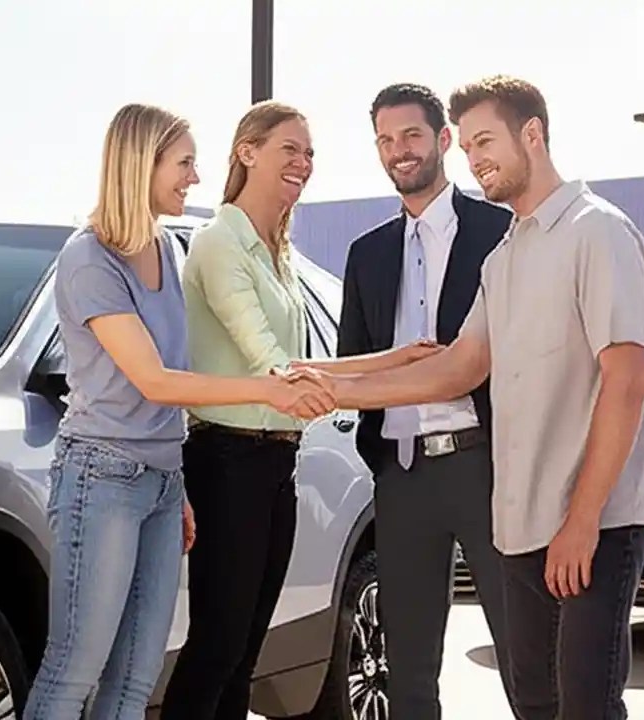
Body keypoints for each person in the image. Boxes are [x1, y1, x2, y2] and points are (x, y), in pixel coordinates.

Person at [298, 75, 644, 720]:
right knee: (540, 704)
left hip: (592, 521)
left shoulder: (596, 231)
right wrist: (334, 387)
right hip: (523, 520)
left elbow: (627, 380)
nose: (475, 159)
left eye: (485, 140)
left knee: (585, 704)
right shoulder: (507, 253)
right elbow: (457, 367)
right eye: (468, 147)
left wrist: (582, 520)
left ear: (534, 133)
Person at [22, 102, 335, 720]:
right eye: (183, 163)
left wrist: (179, 484)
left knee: (138, 676)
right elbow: (155, 380)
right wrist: (267, 390)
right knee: (75, 669)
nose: (194, 178)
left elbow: (175, 380)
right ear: (140, 163)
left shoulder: (166, 247)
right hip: (102, 476)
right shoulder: (89, 257)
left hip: (163, 482)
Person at [158, 100, 439, 720]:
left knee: (243, 653)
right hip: (225, 463)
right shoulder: (218, 242)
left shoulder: (274, 251)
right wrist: (363, 389)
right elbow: (270, 364)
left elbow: (298, 368)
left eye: (309, 153)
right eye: (290, 148)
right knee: (215, 648)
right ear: (247, 151)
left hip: (276, 466)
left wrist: (395, 359)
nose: (304, 163)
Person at [331, 82, 517, 719]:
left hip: (487, 465)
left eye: (410, 135)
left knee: (526, 659)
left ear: (443, 140)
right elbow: (353, 360)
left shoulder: (503, 232)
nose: (398, 151)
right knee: (408, 674)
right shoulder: (367, 254)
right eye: (385, 140)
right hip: (402, 473)